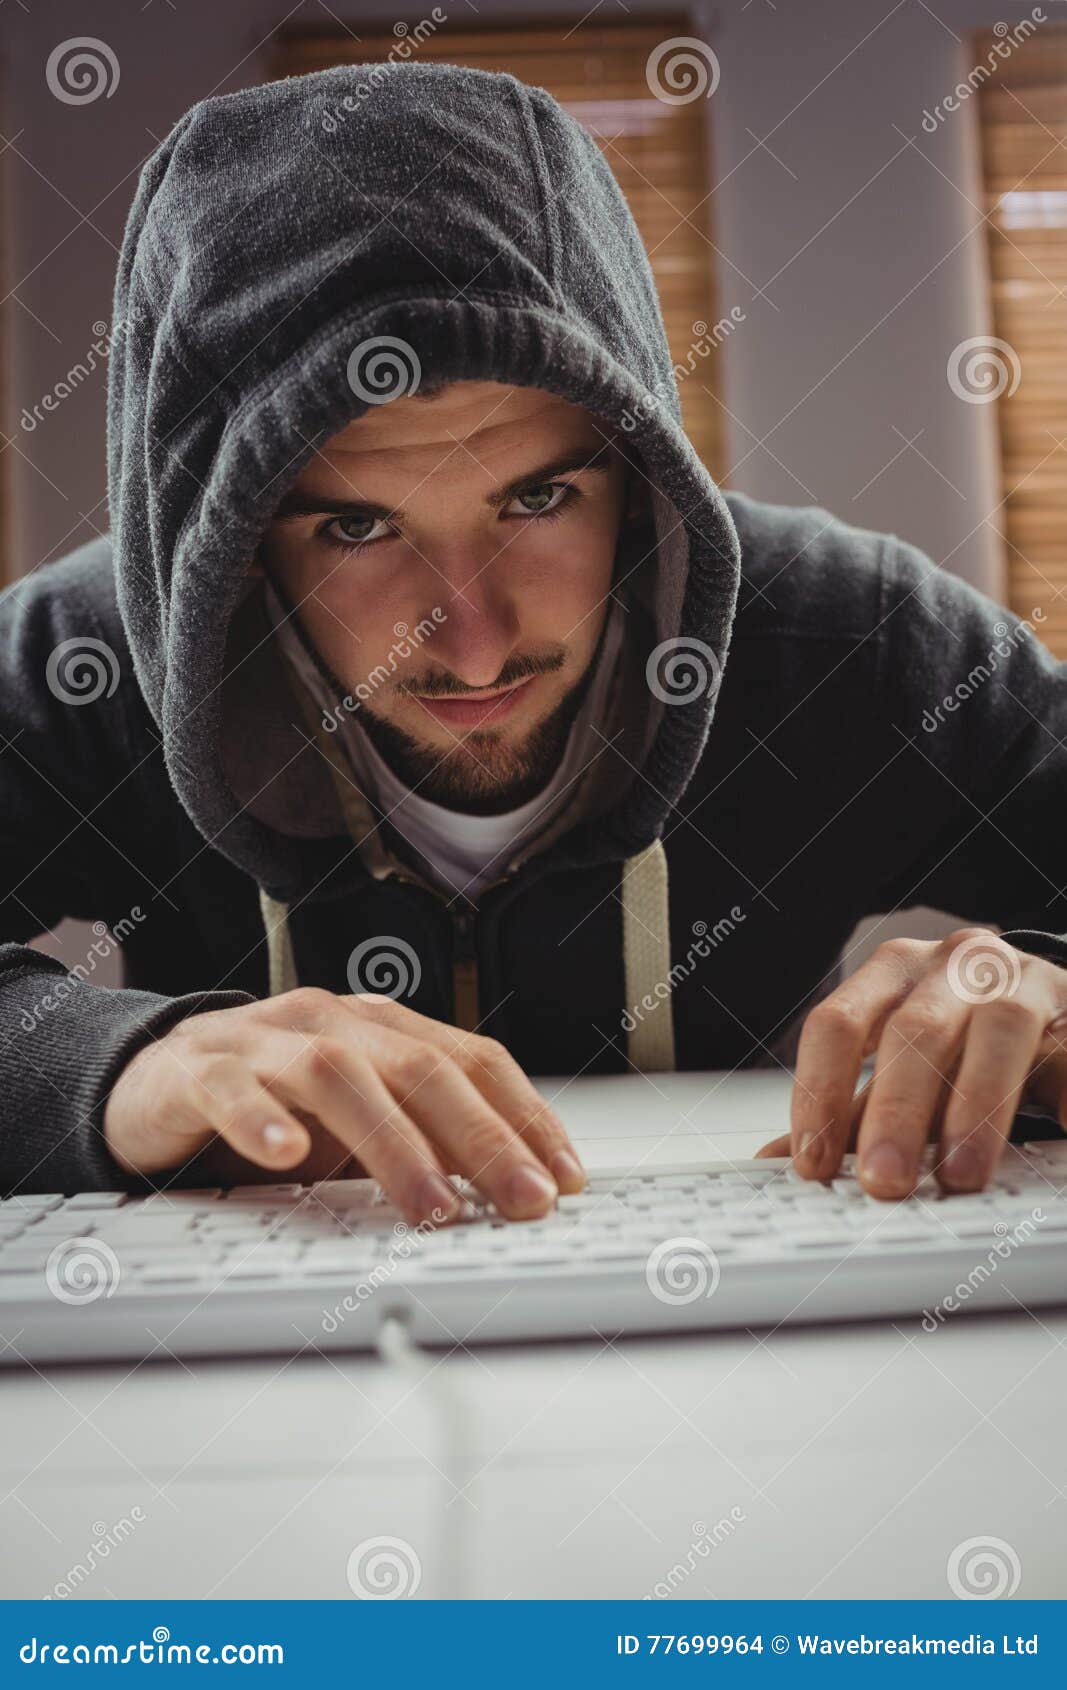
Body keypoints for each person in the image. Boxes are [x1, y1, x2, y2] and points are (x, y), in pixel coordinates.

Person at [2, 62, 1066, 1223]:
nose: (470, 643)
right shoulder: (81, 664)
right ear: (236, 544)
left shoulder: (849, 634)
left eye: (538, 499)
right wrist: (122, 1068)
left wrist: (1045, 987)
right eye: (355, 528)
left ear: (639, 478)